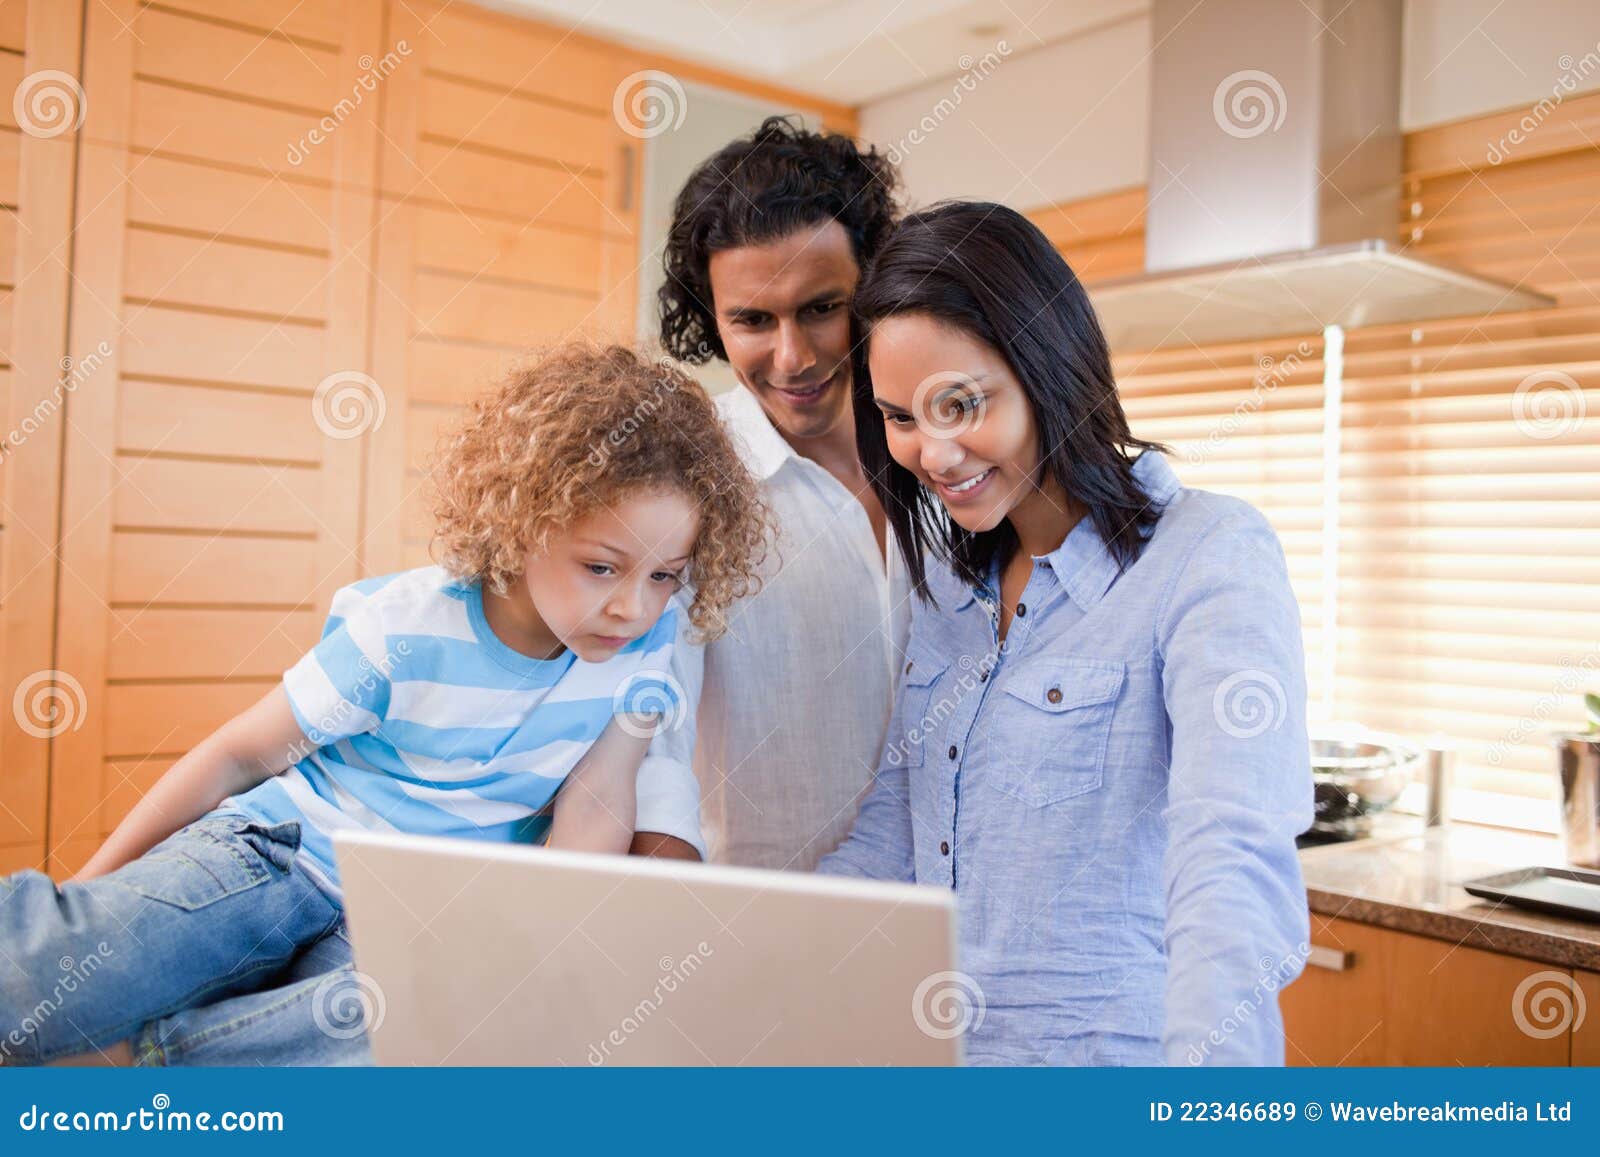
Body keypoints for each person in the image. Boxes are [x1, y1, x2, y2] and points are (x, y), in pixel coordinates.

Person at [0, 343, 768, 1066]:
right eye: (602, 566)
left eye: (666, 574)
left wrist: (537, 957)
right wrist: (91, 898)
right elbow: (239, 754)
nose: (633, 606)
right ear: (525, 520)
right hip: (284, 852)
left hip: (411, 917)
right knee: (60, 969)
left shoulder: (645, 644)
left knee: (433, 1036)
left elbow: (599, 802)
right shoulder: (405, 627)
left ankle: (153, 1058)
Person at [818, 202, 1315, 1066]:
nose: (932, 455)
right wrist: (758, 958)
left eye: (961, 403)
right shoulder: (946, 581)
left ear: (1049, 367)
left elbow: (1229, 858)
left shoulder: (1206, 556)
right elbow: (898, 828)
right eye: (899, 417)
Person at [657, 117, 910, 870]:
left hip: (958, 930)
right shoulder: (683, 486)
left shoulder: (949, 467)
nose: (792, 357)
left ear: (874, 286)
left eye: (822, 308)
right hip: (758, 935)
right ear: (713, 320)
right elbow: (649, 742)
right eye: (753, 321)